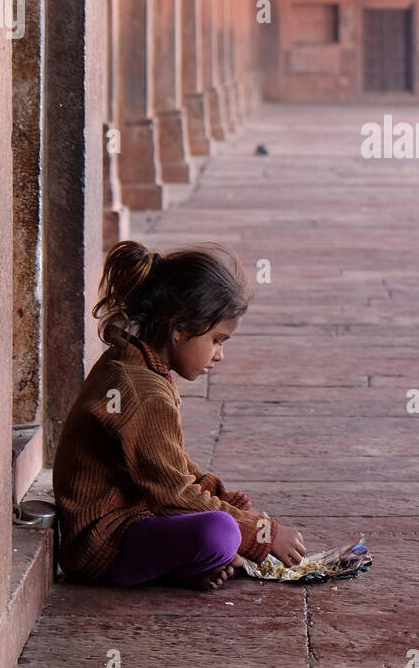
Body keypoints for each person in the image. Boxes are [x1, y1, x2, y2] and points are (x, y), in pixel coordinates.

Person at [53, 241, 308, 591]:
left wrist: (216, 495)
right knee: (219, 533)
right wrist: (260, 534)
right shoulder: (141, 389)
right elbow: (171, 492)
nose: (219, 355)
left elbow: (168, 464)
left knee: (223, 524)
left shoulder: (136, 364)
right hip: (103, 546)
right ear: (180, 329)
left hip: (136, 517)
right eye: (217, 339)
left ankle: (184, 566)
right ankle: (184, 563)